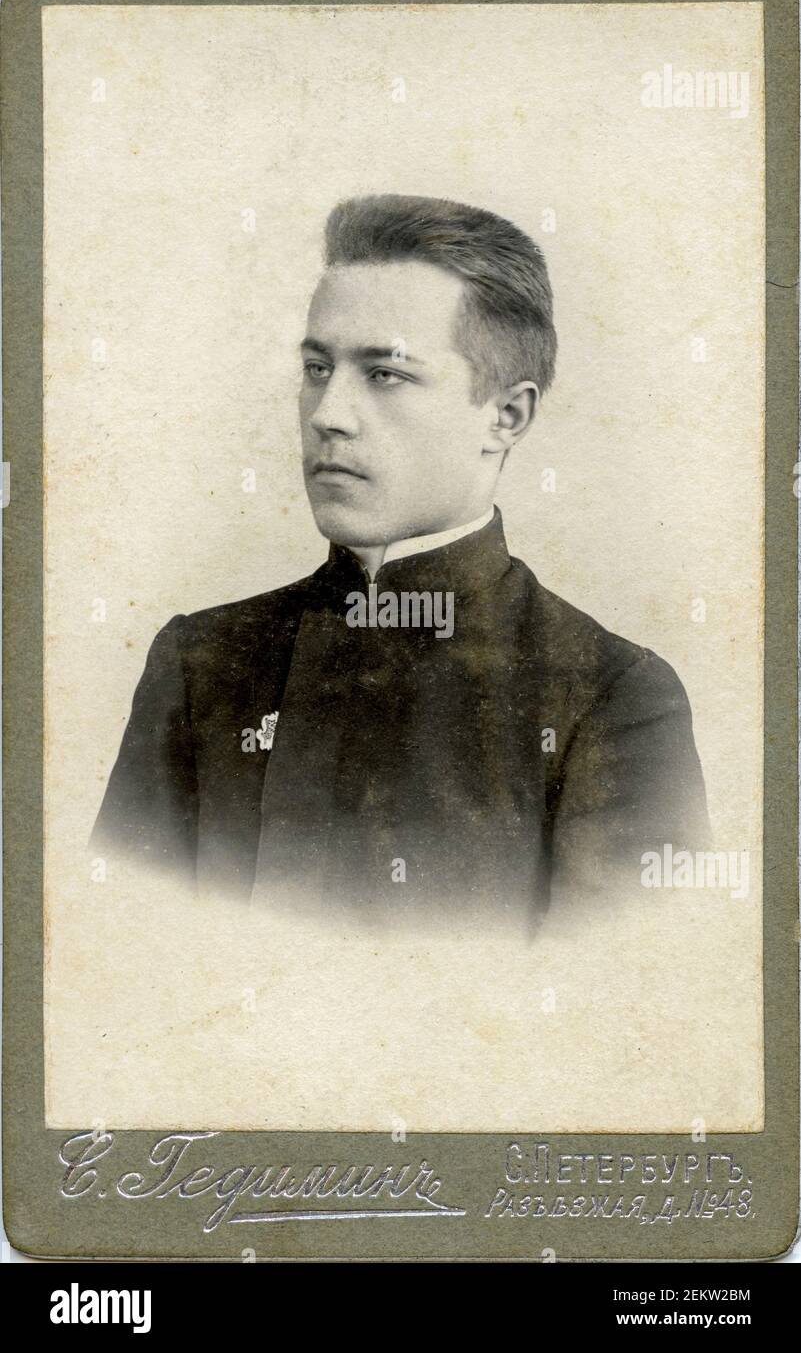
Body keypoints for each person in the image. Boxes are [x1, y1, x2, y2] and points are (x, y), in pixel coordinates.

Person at [91, 193, 711, 932]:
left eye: (384, 374)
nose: (327, 413)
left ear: (505, 415)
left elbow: (613, 1011)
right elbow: (124, 966)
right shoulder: (201, 660)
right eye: (317, 368)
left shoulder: (608, 694)